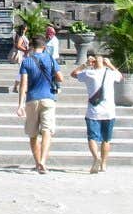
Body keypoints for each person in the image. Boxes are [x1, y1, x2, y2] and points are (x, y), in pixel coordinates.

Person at [14, 35, 63, 174]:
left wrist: (20, 105)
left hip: (32, 99)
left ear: (30, 47)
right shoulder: (50, 59)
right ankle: (43, 161)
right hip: (48, 98)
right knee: (47, 131)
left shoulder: (26, 61)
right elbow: (60, 77)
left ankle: (37, 163)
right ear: (45, 47)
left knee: (33, 134)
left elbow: (23, 84)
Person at [72, 48, 122, 173]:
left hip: (93, 111)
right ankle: (103, 164)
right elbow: (120, 77)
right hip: (109, 111)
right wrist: (110, 64)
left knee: (92, 137)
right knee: (106, 139)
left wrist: (85, 65)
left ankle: (96, 158)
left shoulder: (88, 73)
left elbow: (73, 74)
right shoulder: (110, 73)